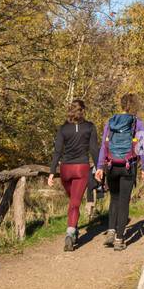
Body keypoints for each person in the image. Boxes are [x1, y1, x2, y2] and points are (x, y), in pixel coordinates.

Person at [96, 93, 144, 250]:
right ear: (135, 105)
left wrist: (100, 166)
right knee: (124, 200)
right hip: (128, 166)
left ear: (121, 105)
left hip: (111, 165)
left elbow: (104, 145)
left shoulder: (111, 122)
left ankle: (111, 230)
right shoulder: (137, 123)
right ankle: (119, 239)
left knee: (114, 198)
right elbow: (143, 146)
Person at [47, 100, 99, 252]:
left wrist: (52, 172)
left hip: (65, 169)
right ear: (83, 111)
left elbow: (57, 151)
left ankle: (73, 229)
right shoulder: (90, 127)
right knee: (75, 203)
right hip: (81, 168)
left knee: (73, 201)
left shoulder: (63, 128)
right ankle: (70, 234)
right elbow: (94, 149)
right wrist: (100, 168)